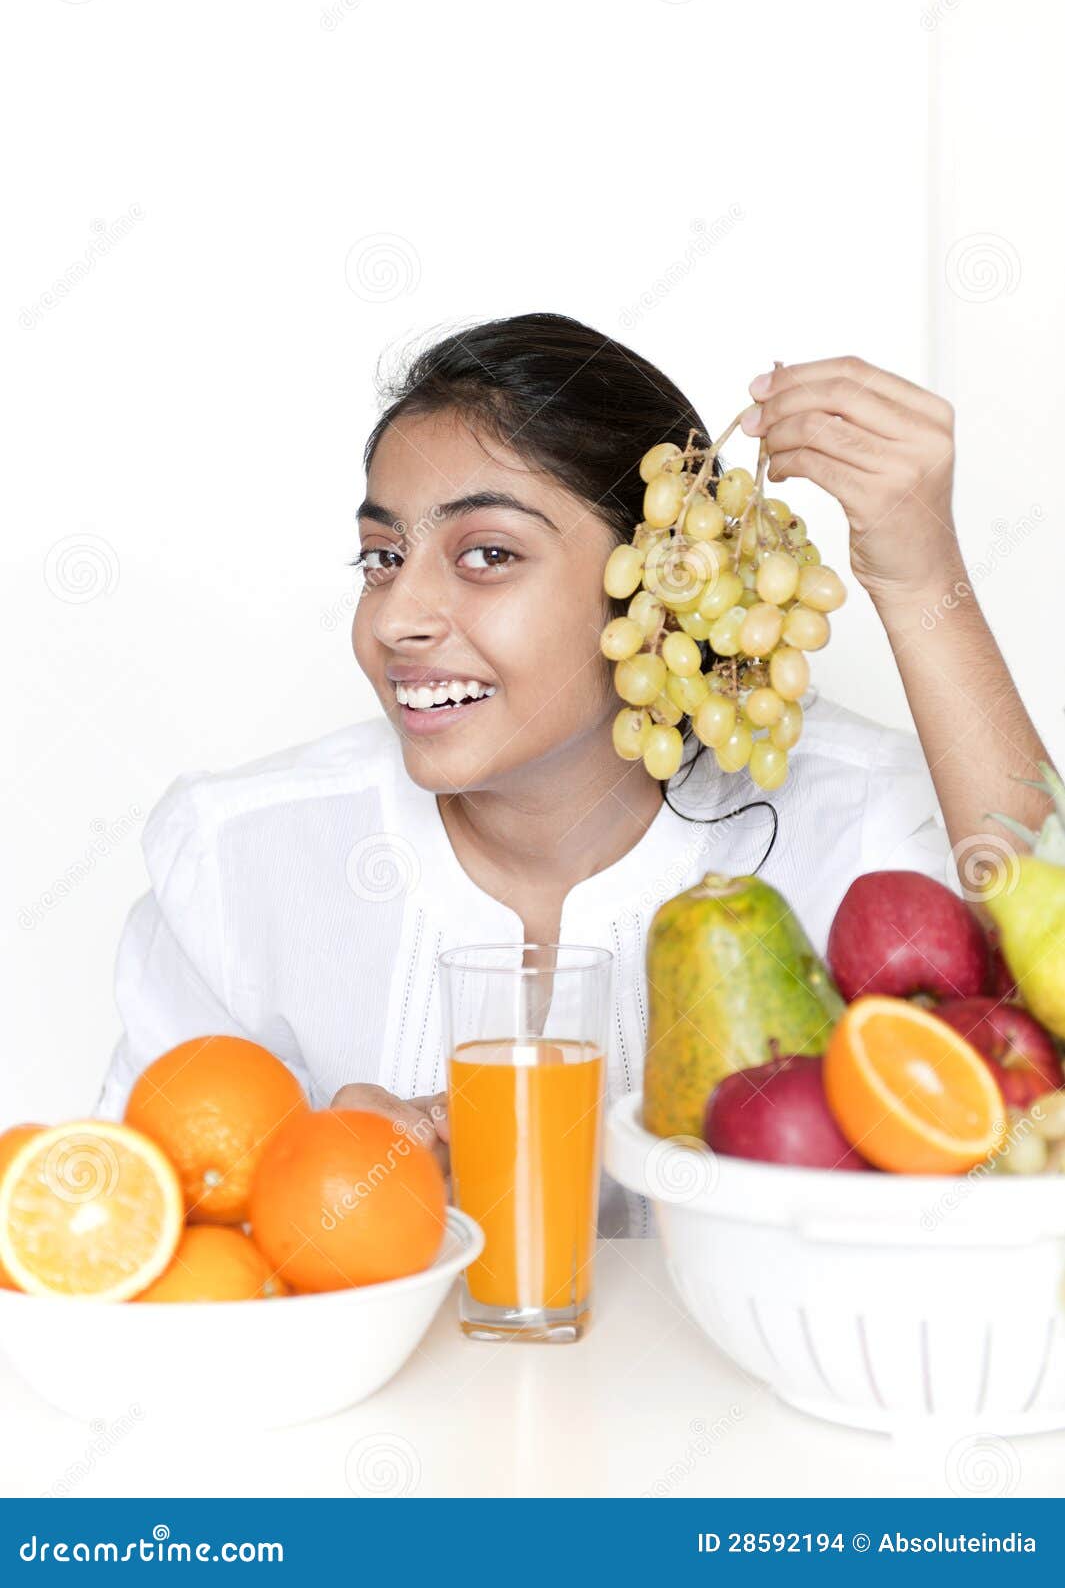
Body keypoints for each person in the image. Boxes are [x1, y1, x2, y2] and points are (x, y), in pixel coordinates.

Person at [94, 314, 1055, 1237]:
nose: (394, 619)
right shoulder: (237, 856)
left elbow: (1044, 1005)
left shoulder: (868, 817)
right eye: (382, 557)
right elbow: (147, 1234)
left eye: (486, 554)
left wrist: (922, 578)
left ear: (660, 578)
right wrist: (316, 1172)